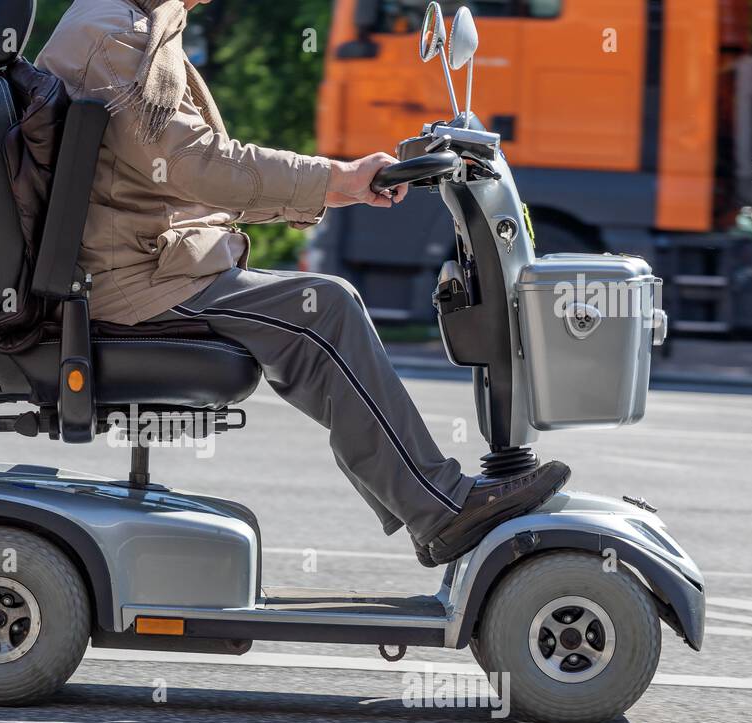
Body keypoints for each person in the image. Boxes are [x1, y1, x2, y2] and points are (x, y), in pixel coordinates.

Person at [36, 0, 568, 566]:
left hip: (144, 264)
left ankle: (431, 503)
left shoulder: (123, 23)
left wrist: (338, 187)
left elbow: (178, 178)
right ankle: (439, 511)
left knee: (322, 306)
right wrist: (335, 177)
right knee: (325, 309)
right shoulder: (116, 36)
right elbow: (196, 164)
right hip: (137, 281)